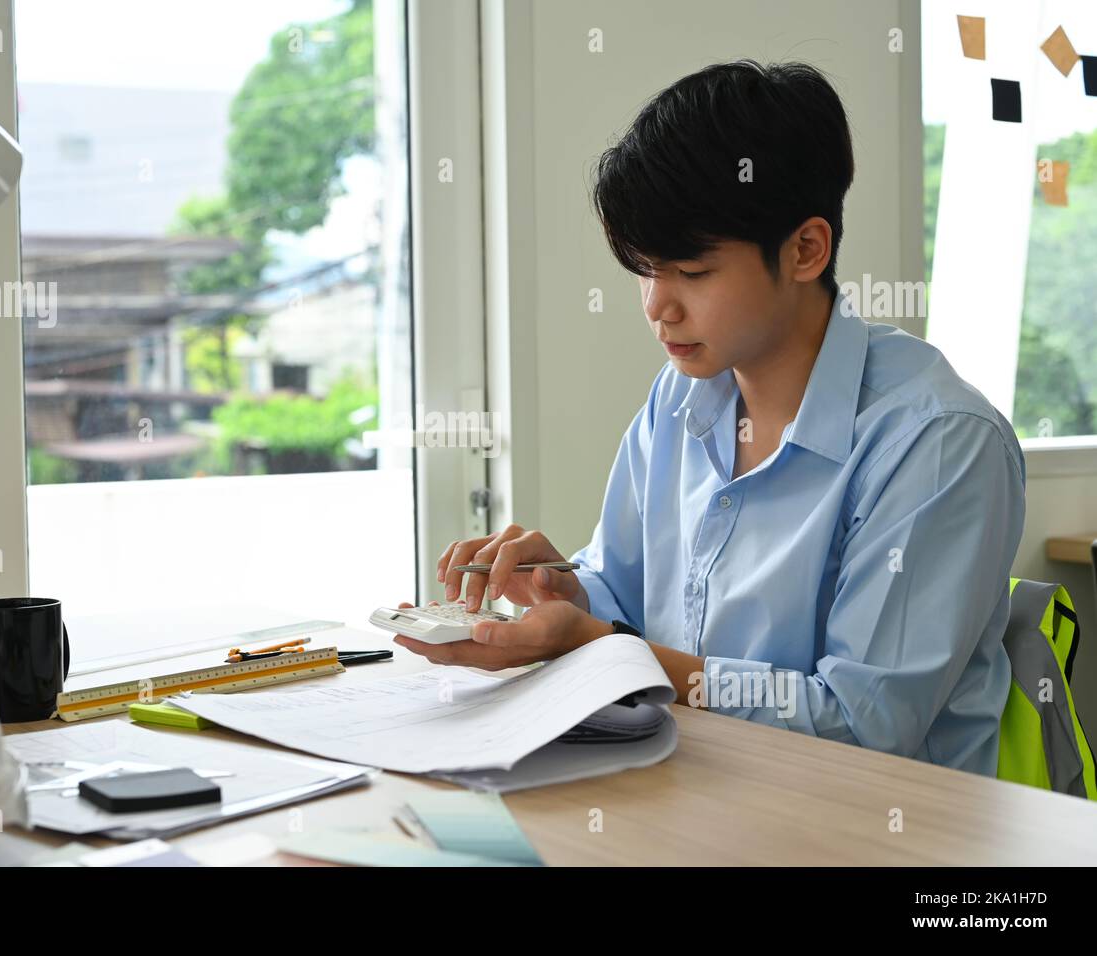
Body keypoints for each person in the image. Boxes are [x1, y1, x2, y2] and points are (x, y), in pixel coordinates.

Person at [392, 60, 1026, 777]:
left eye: (691, 273)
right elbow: (625, 594)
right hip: (696, 796)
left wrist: (600, 649)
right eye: (645, 269)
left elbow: (864, 723)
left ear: (806, 249)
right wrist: (563, 592)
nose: (658, 305)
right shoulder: (680, 398)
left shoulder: (937, 442)